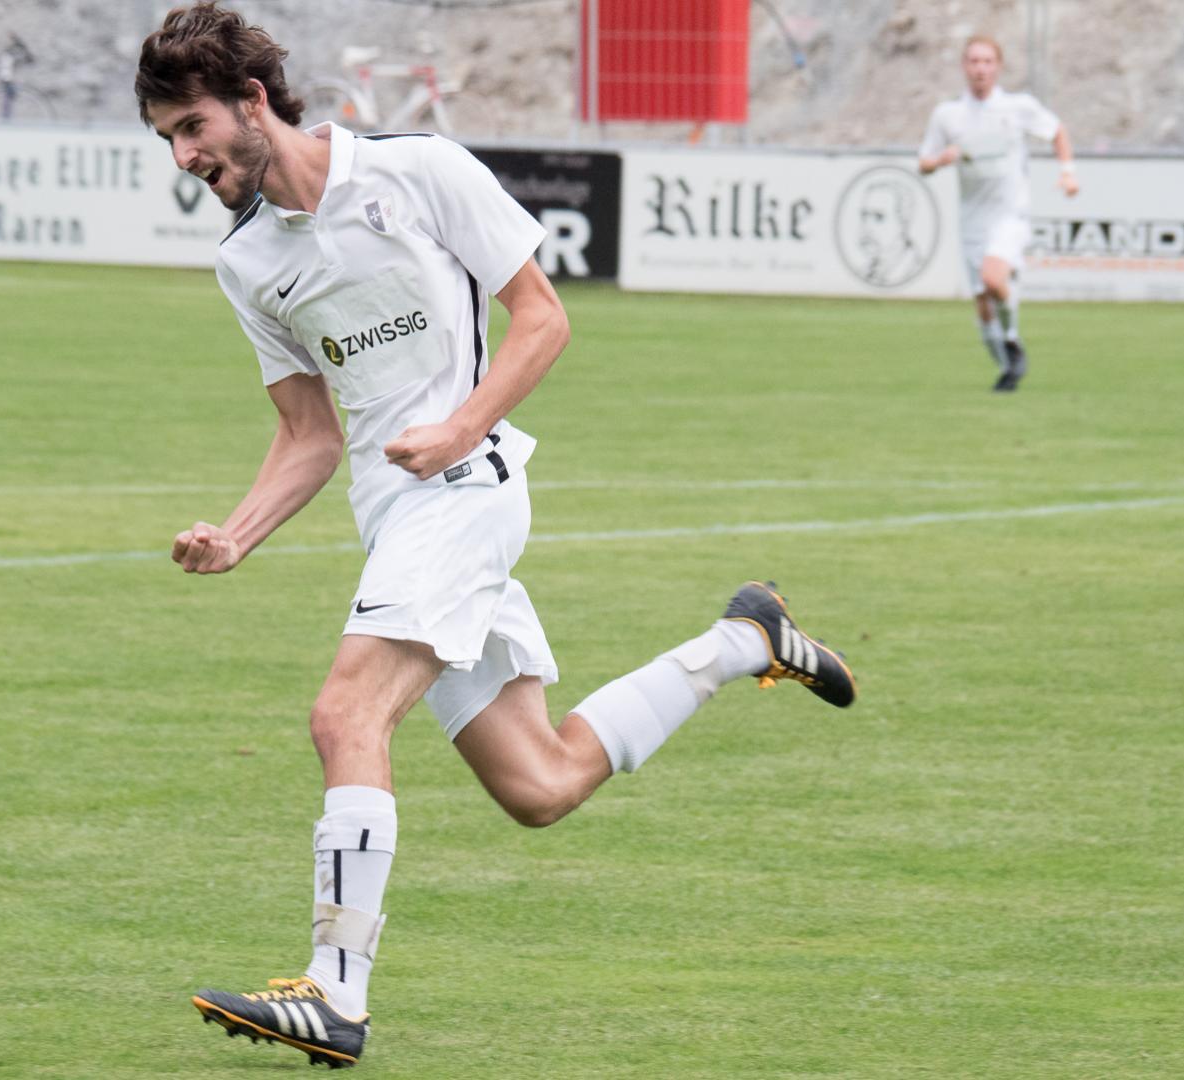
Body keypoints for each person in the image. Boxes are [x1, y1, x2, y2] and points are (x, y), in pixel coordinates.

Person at [136, 3, 858, 1069]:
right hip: (401, 526)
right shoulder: (245, 266)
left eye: (191, 127)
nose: (185, 157)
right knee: (541, 784)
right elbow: (307, 436)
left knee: (345, 717)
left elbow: (542, 316)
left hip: (468, 490)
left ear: (252, 101)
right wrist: (238, 536)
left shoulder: (416, 170)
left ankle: (336, 991)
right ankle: (743, 641)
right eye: (167, 141)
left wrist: (459, 426)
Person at [917, 34, 1077, 394]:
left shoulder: (1017, 107)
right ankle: (1008, 368)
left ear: (998, 67)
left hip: (1010, 214)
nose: (980, 68)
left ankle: (1013, 339)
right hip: (972, 219)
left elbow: (1058, 131)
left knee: (992, 279)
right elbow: (923, 163)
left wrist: (1068, 172)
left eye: (987, 61)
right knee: (983, 305)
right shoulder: (948, 115)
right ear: (964, 66)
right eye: (973, 61)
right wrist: (942, 160)